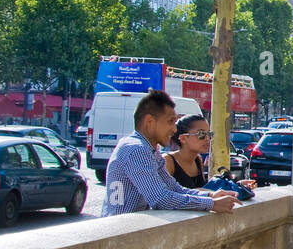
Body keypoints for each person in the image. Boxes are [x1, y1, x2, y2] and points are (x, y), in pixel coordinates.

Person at [101, 90, 239, 217]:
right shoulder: (137, 150)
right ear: (149, 121)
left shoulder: (148, 150)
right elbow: (161, 199)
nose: (174, 129)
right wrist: (212, 203)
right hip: (120, 234)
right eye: (170, 121)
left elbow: (174, 188)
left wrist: (211, 195)